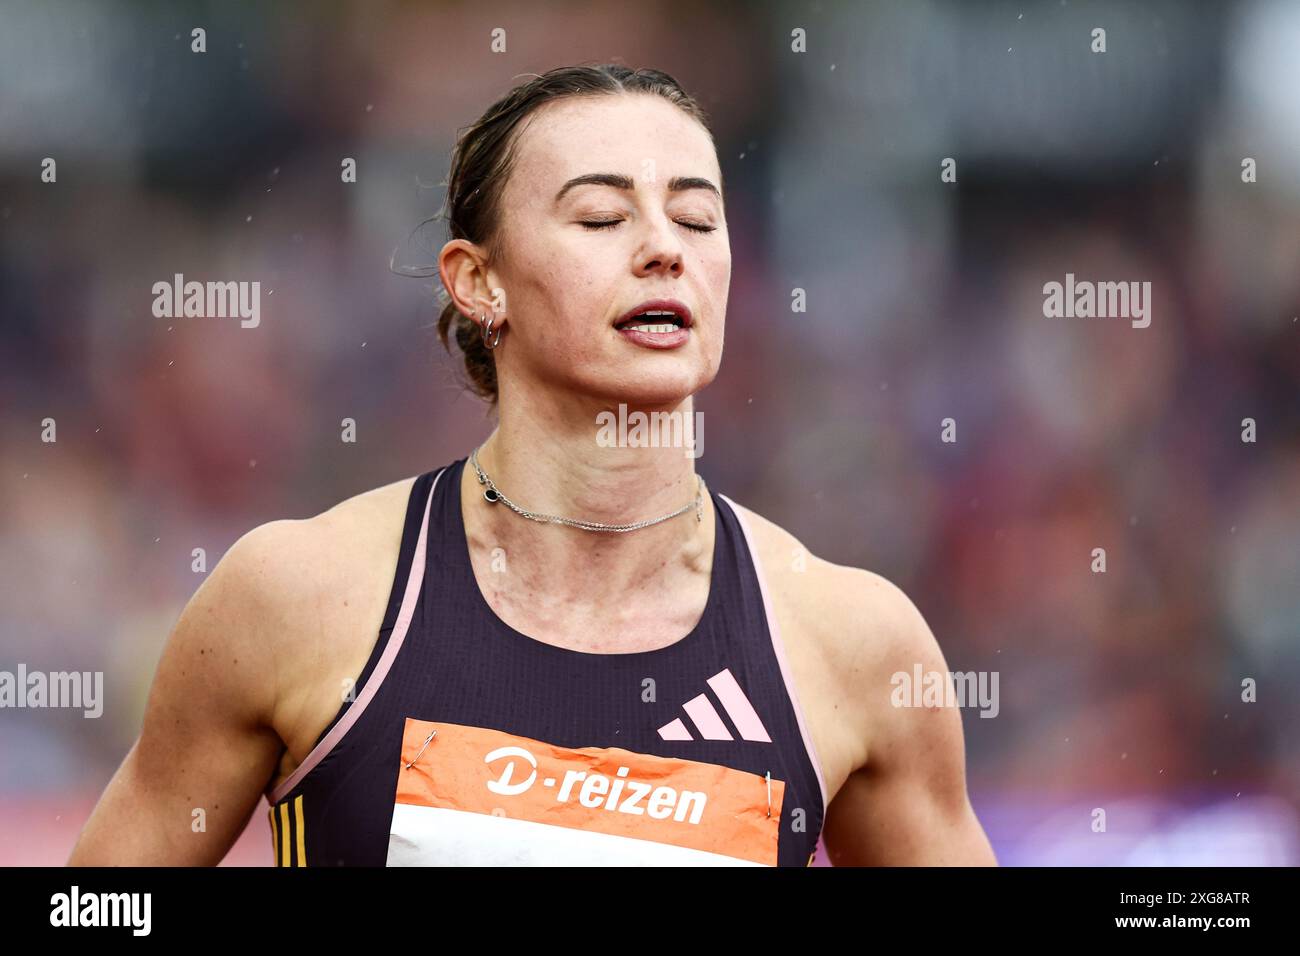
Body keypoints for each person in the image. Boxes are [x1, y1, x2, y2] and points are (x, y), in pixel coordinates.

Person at [68, 64, 996, 867]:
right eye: (600, 216)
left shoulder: (850, 643)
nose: (663, 250)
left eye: (697, 218)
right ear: (478, 281)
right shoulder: (298, 597)